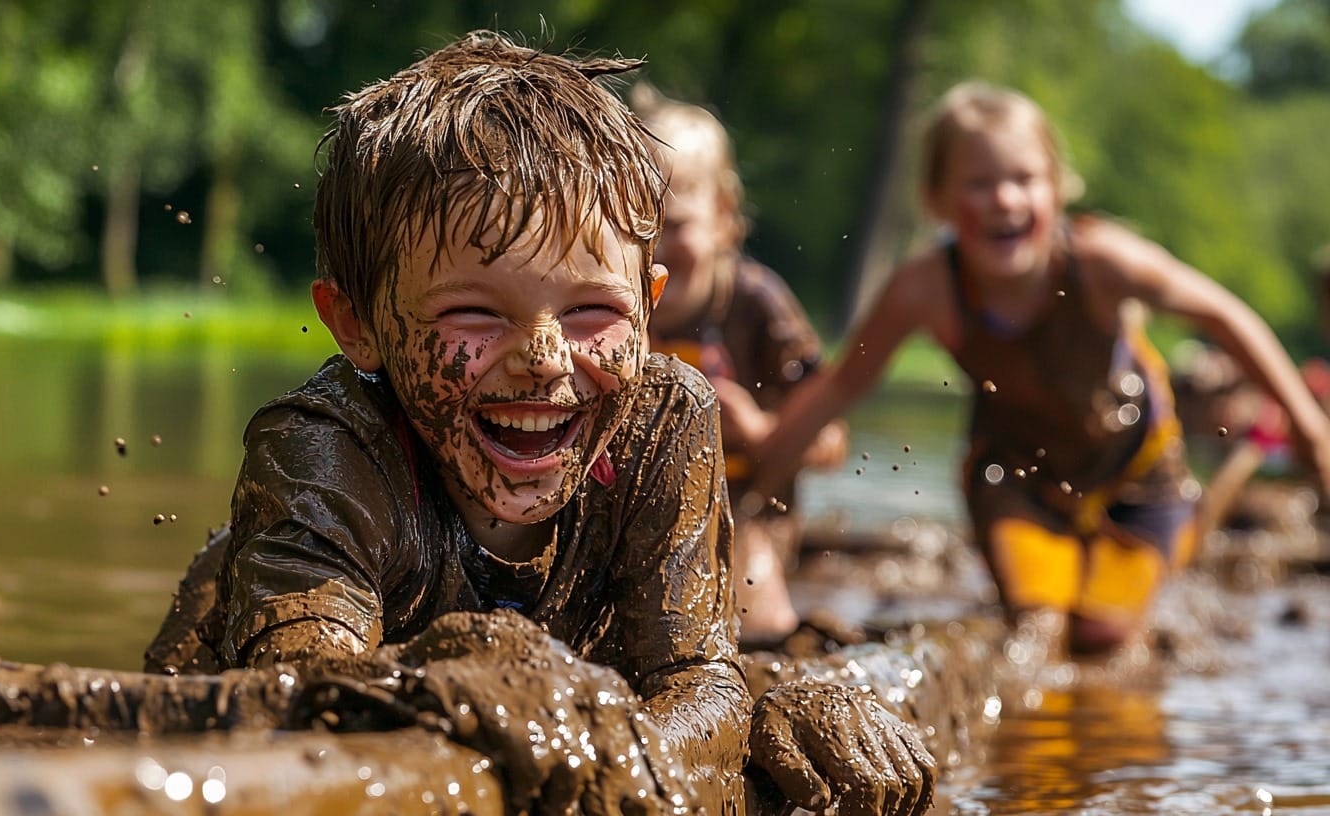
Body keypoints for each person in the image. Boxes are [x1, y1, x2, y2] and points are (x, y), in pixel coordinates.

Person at [143, 31, 932, 814]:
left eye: (593, 311)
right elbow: (302, 688)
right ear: (357, 325)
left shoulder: (666, 421)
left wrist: (643, 751)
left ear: (650, 312)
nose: (546, 359)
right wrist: (498, 667)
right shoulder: (322, 450)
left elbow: (699, 683)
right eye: (475, 313)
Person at [749, 81, 1330, 657]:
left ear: (1056, 189)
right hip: (1016, 479)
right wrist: (756, 484)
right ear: (938, 199)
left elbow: (1225, 314)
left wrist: (1308, 430)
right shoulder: (926, 289)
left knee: (1102, 637)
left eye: (1024, 179)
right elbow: (842, 384)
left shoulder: (1102, 262)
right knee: (1036, 630)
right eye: (980, 183)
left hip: (1140, 474)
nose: (1005, 199)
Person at [632, 85, 848, 648]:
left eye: (674, 224)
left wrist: (757, 431)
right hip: (638, 510)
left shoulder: (754, 303)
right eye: (635, 223)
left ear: (724, 218)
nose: (652, 247)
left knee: (756, 620)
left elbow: (830, 438)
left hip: (751, 509)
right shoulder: (613, 299)